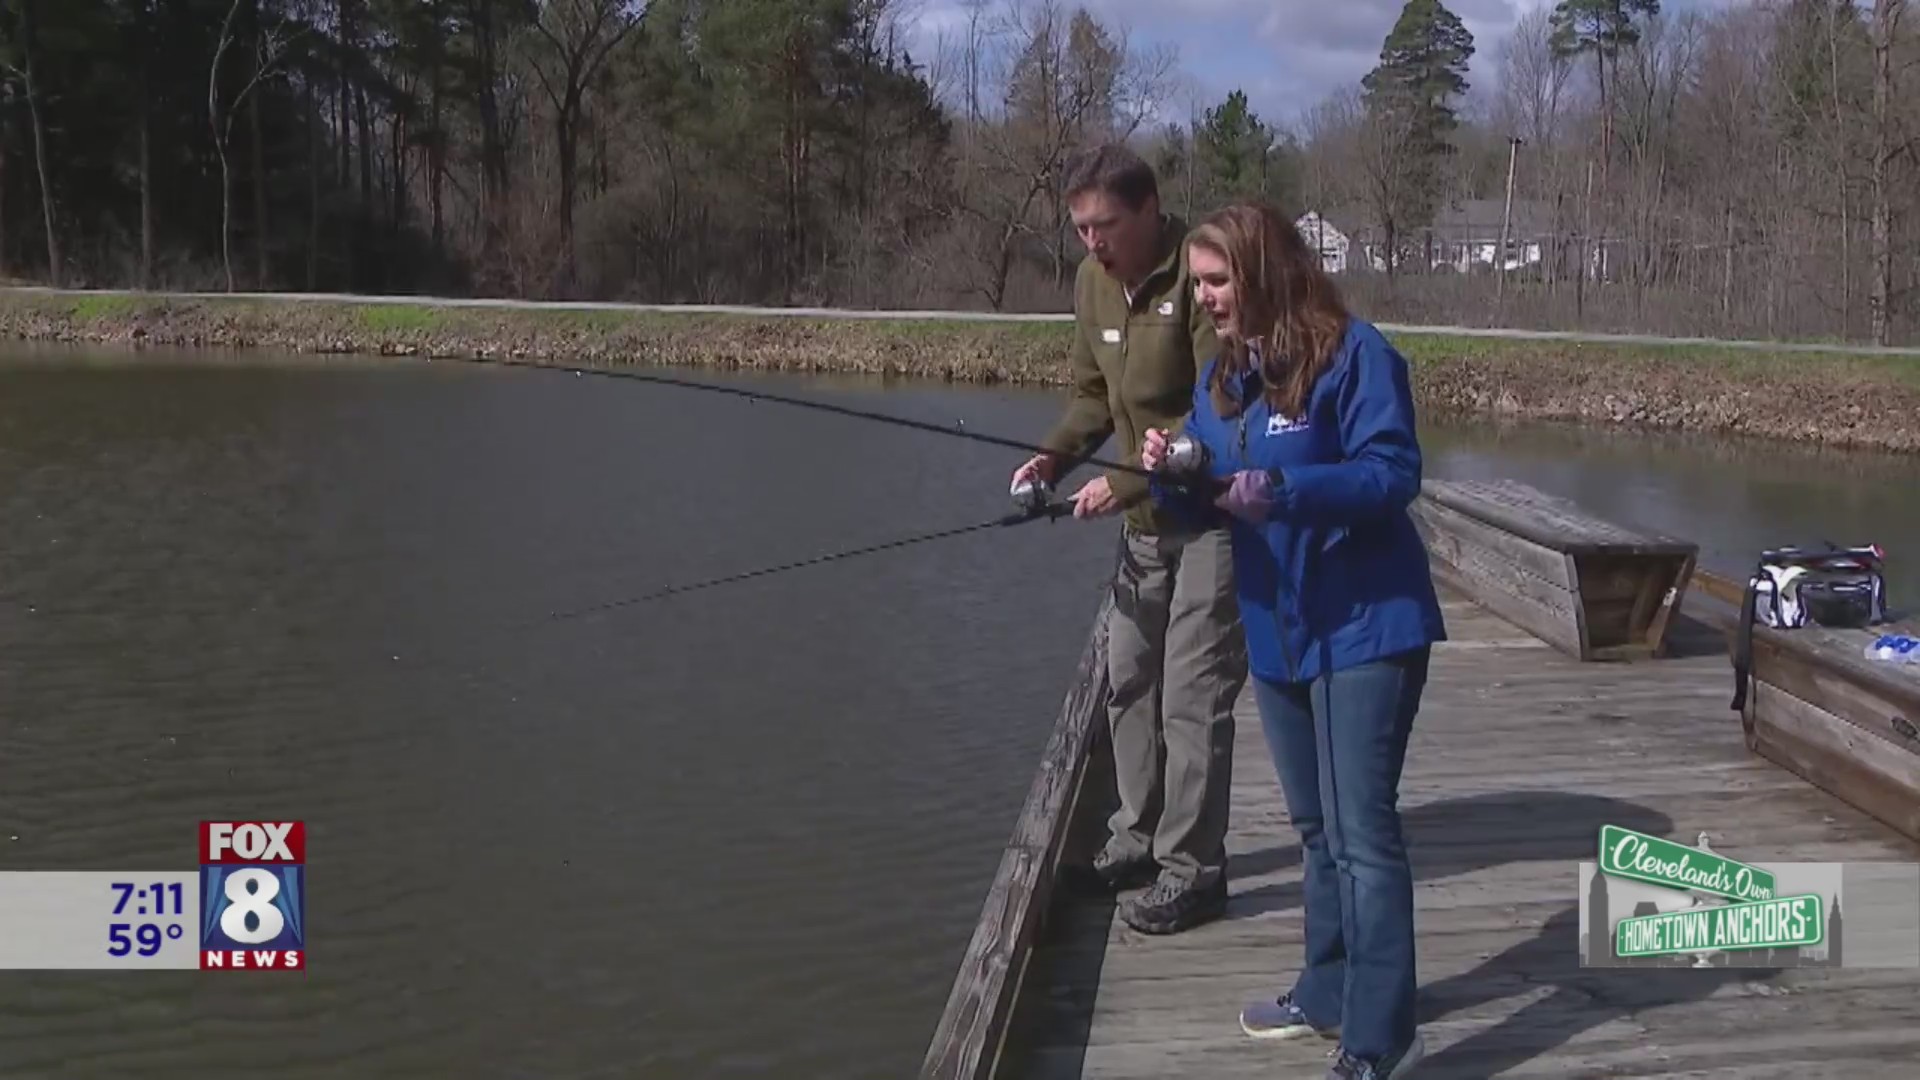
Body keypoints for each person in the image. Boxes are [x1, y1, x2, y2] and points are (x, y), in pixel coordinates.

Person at [1141, 202, 1445, 1080]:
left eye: (1217, 281)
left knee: (1362, 834)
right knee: (1315, 829)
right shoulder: (1224, 377)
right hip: (1277, 631)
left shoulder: (1358, 354)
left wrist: (1279, 487)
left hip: (1367, 623)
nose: (1206, 301)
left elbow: (1393, 474)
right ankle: (1326, 988)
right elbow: (1202, 495)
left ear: (1265, 270)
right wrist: (1174, 473)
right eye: (1198, 285)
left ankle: (1385, 1038)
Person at [1010, 144, 1248, 935]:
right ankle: (1136, 841)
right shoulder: (1088, 284)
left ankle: (1194, 871)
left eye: (1105, 225)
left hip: (1212, 521)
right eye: (1080, 228)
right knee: (1129, 682)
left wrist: (1128, 482)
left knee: (1191, 697)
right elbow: (1091, 396)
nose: (1092, 243)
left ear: (1150, 209)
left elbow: (1225, 410)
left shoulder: (1200, 273)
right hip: (1143, 532)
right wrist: (1052, 457)